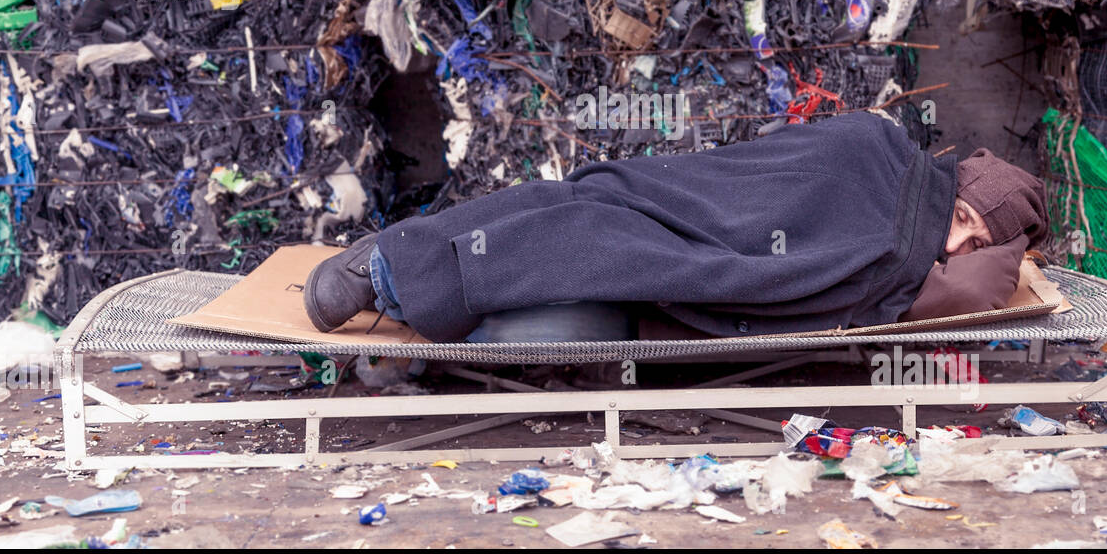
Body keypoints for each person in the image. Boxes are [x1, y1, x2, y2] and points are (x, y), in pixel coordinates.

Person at [302, 110, 1048, 341]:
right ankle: (393, 265)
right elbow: (772, 170)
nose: (952, 246)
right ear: (953, 183)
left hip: (709, 257)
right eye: (959, 219)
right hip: (703, 198)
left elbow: (891, 293)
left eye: (974, 244)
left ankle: (399, 276)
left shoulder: (917, 266)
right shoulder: (879, 148)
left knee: (599, 238)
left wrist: (974, 257)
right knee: (583, 202)